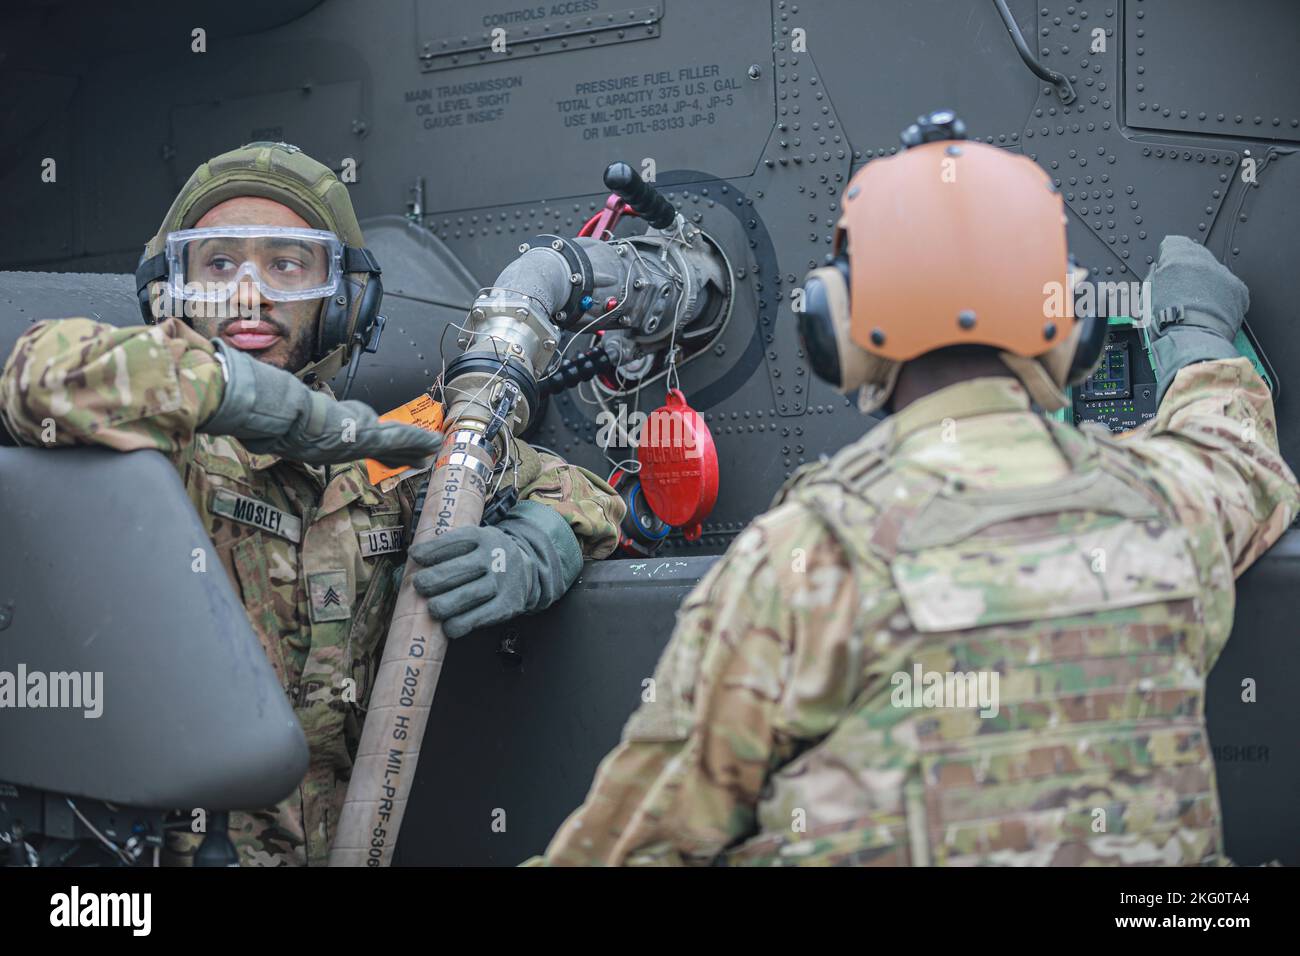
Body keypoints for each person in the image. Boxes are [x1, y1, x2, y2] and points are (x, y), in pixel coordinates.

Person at [534, 113, 1298, 866]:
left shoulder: (801, 561)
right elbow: (1232, 452)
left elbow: (632, 845)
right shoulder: (1166, 506)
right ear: (1068, 320)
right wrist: (1194, 333)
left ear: (840, 329)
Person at [0, 141, 625, 866]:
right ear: (171, 292)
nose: (249, 293)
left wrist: (530, 547)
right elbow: (34, 376)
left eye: (287, 265)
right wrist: (243, 396)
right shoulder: (155, 443)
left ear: (342, 300)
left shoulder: (386, 455)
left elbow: (583, 496)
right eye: (219, 265)